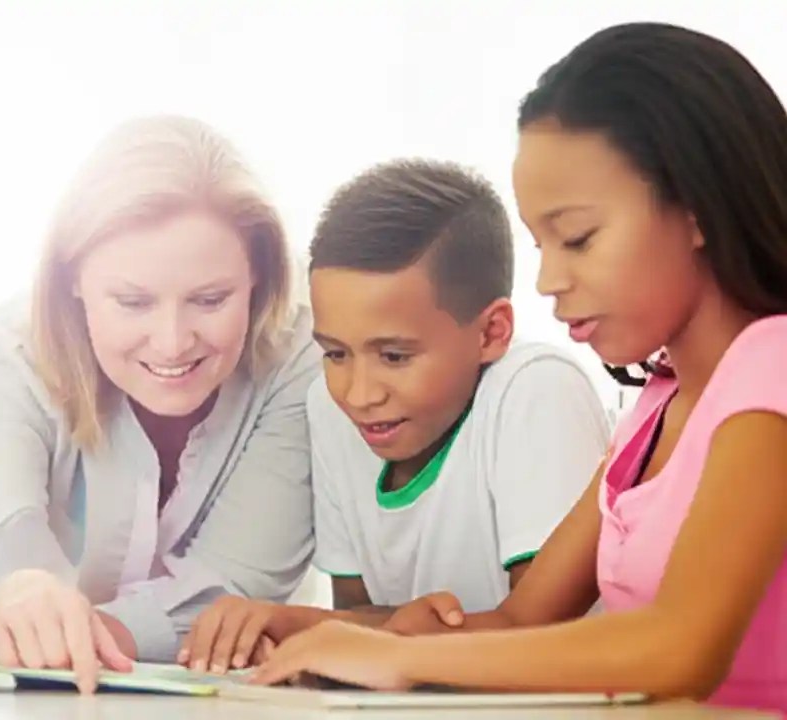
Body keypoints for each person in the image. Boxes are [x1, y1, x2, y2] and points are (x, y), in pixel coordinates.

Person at [252, 23, 787, 713]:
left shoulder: (771, 368)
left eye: (579, 238)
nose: (549, 280)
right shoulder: (657, 407)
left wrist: (400, 658)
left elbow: (680, 649)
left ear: (695, 211)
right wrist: (319, 632)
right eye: (540, 244)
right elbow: (522, 620)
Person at [181, 159, 606, 673]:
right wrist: (283, 624)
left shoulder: (536, 388)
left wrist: (338, 633)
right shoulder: (328, 407)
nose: (359, 394)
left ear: (491, 333)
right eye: (336, 353)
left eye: (395, 357)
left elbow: (545, 631)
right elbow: (359, 618)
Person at [0, 115, 319, 692]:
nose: (172, 342)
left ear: (259, 276)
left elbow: (241, 583)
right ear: (73, 278)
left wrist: (89, 638)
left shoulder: (302, 354)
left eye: (210, 299)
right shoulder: (4, 354)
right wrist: (23, 590)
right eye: (132, 301)